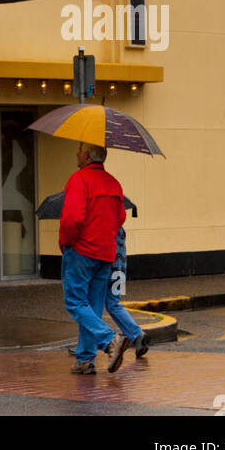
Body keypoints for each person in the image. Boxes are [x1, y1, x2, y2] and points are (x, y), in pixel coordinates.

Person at [59, 141, 128, 374]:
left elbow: (71, 219)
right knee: (93, 306)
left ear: (87, 156)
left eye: (79, 150)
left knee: (75, 302)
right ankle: (85, 360)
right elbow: (120, 218)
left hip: (81, 251)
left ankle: (109, 340)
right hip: (105, 253)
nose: (77, 154)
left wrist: (67, 243)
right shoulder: (114, 183)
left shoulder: (79, 179)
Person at [106, 222, 151, 359]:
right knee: (114, 305)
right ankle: (137, 334)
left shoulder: (105, 226)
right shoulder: (120, 228)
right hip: (120, 271)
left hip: (106, 269)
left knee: (90, 305)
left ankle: (90, 344)